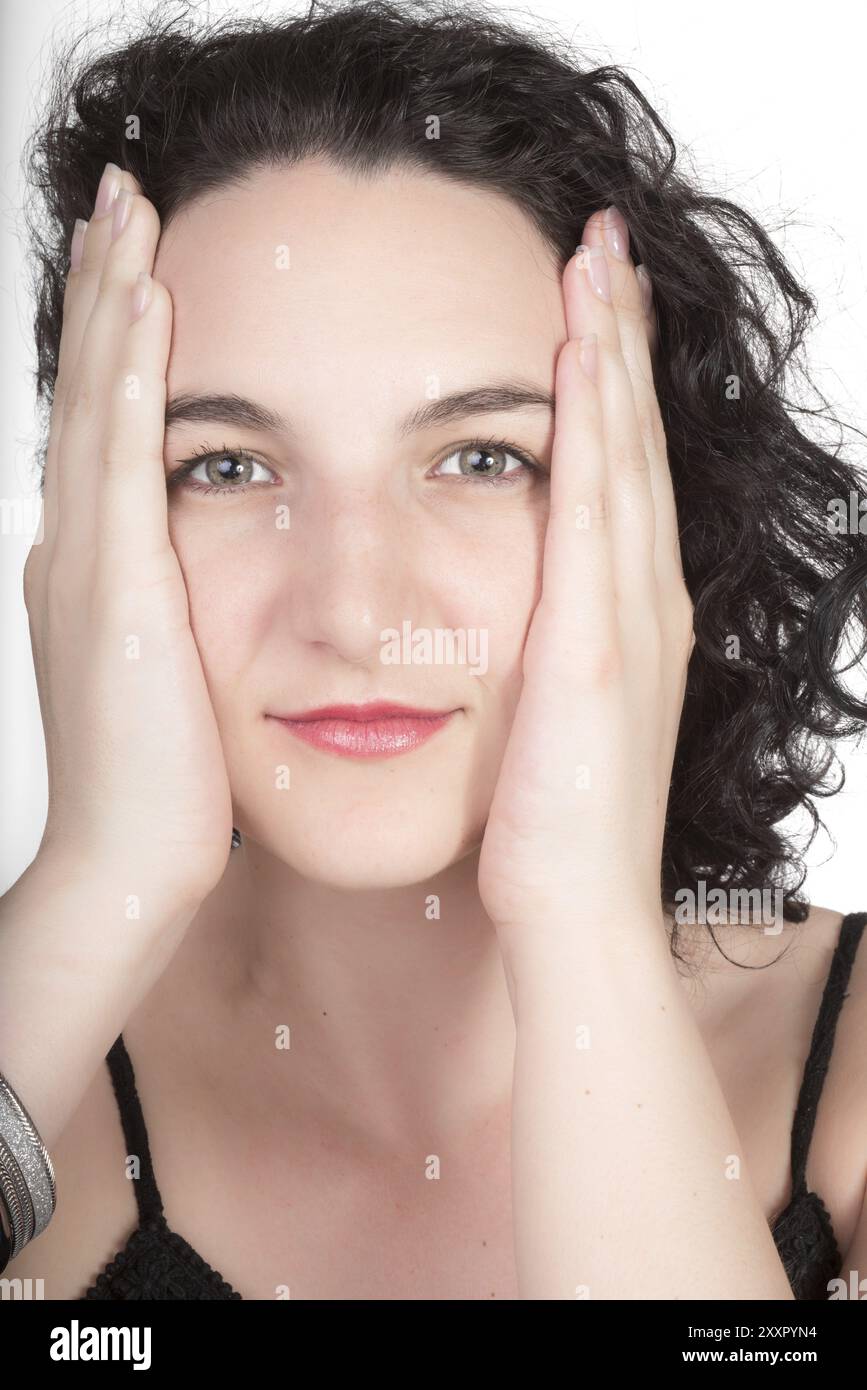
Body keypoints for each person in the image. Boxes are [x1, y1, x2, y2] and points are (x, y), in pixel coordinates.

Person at [1, 0, 866, 1301]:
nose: (354, 611)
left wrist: (584, 924)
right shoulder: (40, 1060)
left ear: (656, 500)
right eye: (226, 466)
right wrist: (96, 878)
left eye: (481, 458)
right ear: (94, 525)